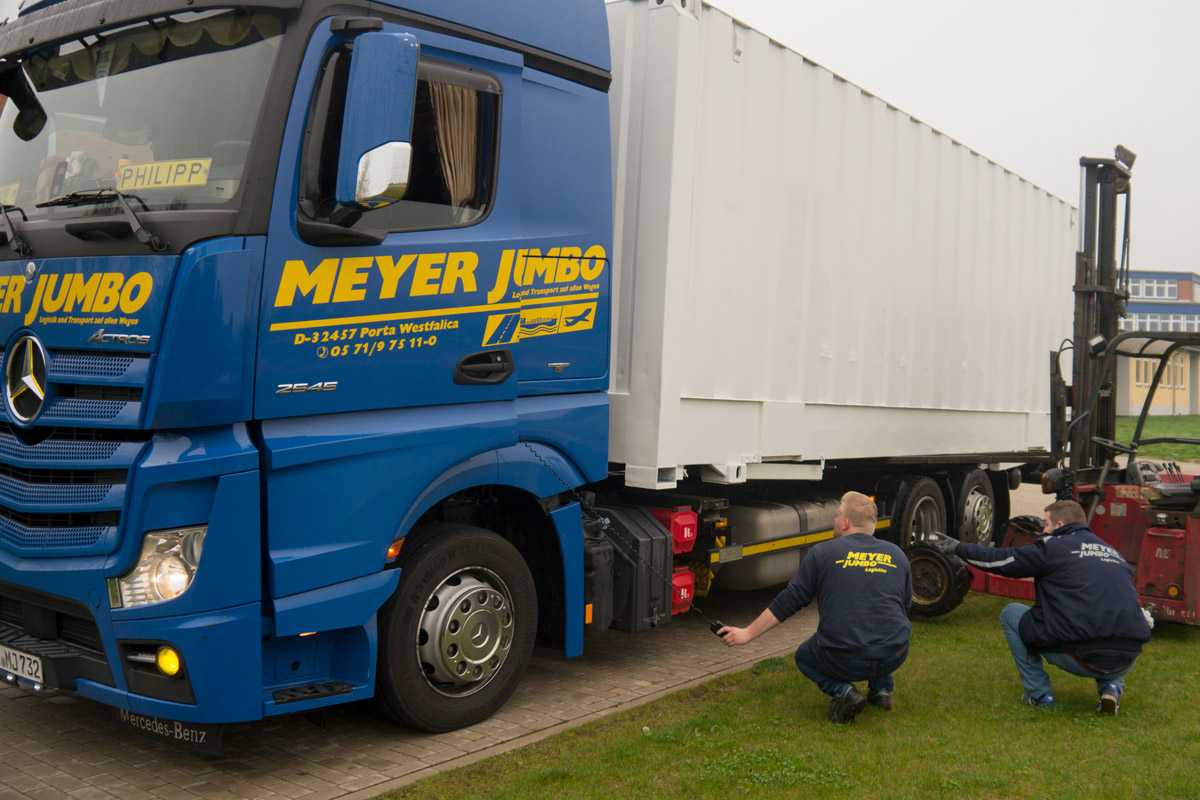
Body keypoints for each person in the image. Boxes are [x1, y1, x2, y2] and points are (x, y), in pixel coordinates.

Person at [928, 499, 1152, 714]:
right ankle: (1111, 687)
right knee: (1112, 623)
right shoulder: (1114, 553)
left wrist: (958, 548)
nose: (1043, 531)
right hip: (1127, 658)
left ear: (1060, 525)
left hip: (1081, 656)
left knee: (1011, 613)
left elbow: (1001, 560)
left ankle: (1040, 695)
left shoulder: (1053, 547)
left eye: (1045, 524)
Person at [718, 491, 912, 723]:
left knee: (804, 656)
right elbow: (903, 605)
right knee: (883, 627)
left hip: (844, 660)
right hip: (894, 654)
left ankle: (844, 692)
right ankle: (881, 691)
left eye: (837, 515)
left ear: (846, 523)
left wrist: (747, 633)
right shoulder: (897, 555)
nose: (834, 520)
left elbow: (790, 599)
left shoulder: (823, 553)